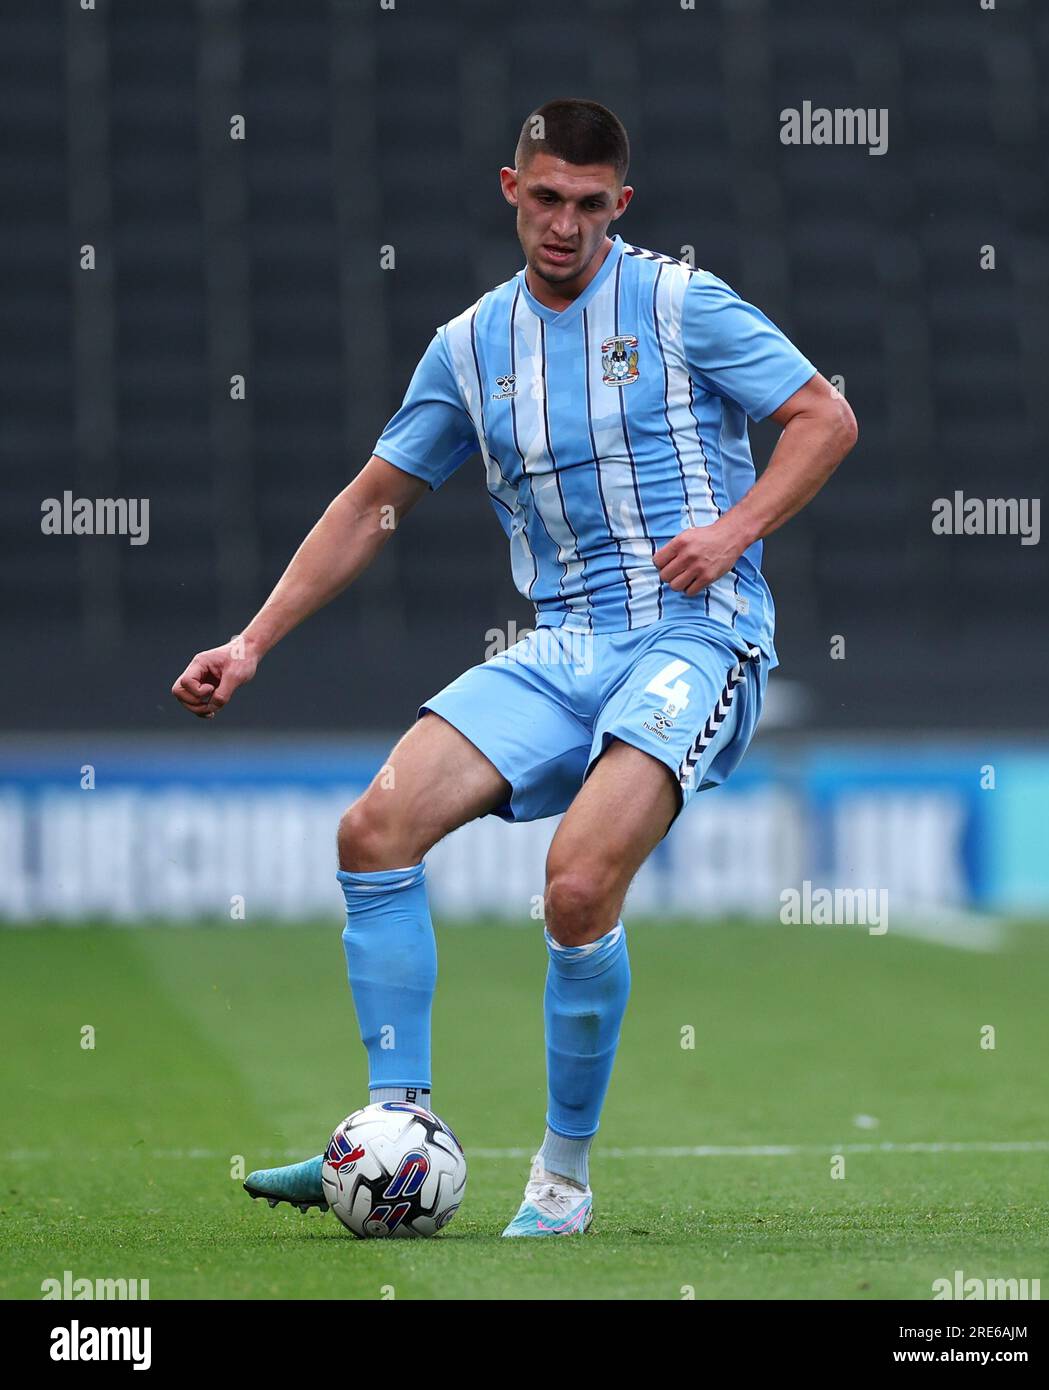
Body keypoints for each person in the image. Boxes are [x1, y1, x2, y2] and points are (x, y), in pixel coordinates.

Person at [172, 97, 857, 1236]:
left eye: (591, 206)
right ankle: (392, 1136)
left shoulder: (683, 303)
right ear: (510, 189)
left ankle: (563, 1178)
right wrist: (249, 642)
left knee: (579, 885)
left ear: (620, 208)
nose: (565, 225)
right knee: (372, 830)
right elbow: (370, 503)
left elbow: (822, 417)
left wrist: (732, 532)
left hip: (698, 632)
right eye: (546, 198)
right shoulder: (469, 345)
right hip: (563, 641)